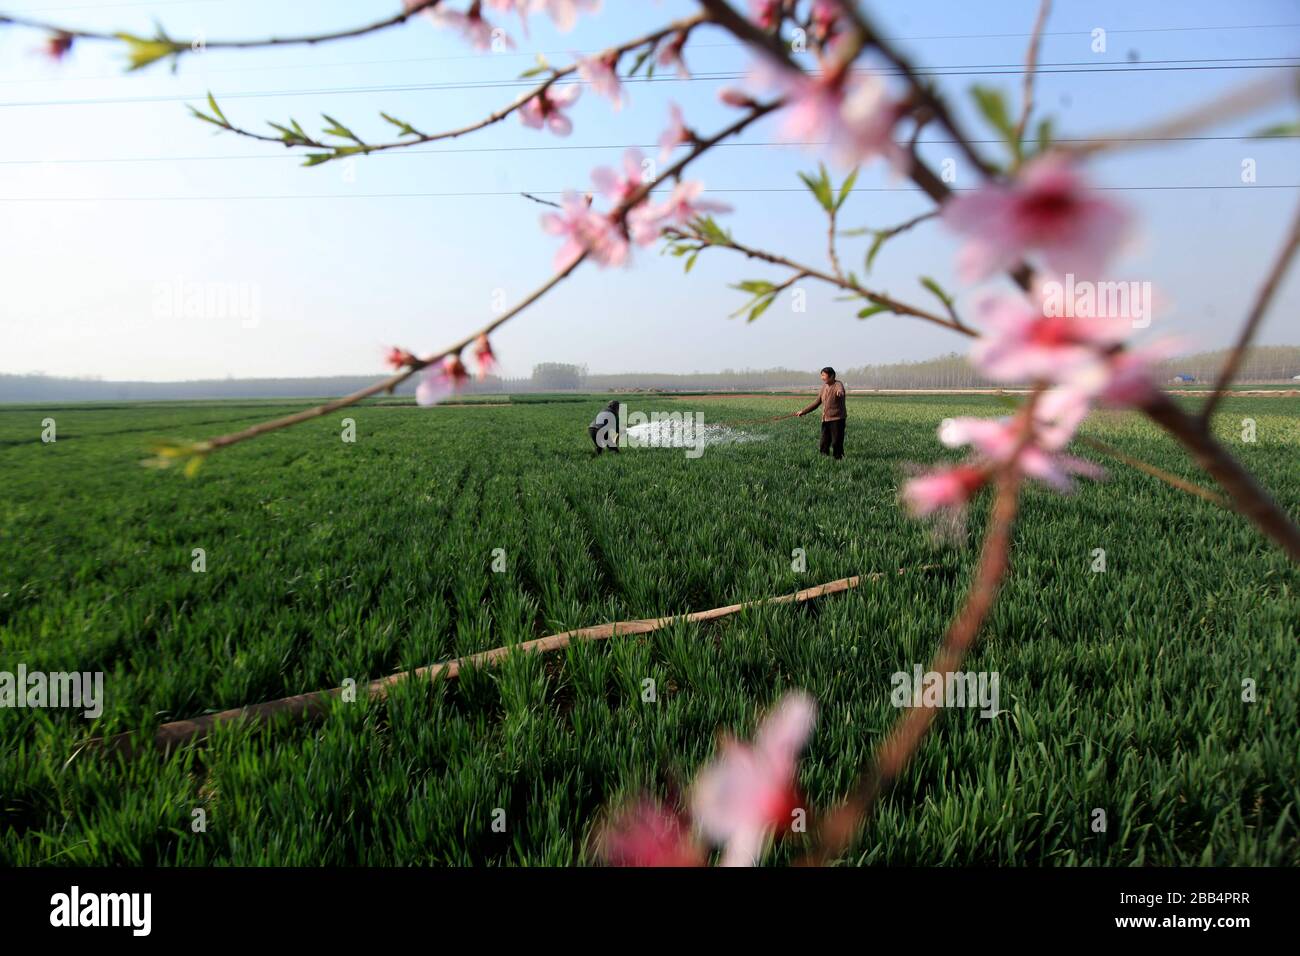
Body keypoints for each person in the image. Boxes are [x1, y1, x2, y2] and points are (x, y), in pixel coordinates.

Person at [796, 367, 847, 459]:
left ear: (831, 376)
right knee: (824, 442)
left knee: (836, 442)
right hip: (825, 419)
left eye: (824, 375)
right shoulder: (824, 387)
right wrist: (803, 412)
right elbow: (816, 402)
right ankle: (824, 459)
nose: (822, 377)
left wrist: (840, 393)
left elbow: (840, 390)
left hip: (837, 419)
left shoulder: (838, 384)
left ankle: (839, 459)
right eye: (821, 375)